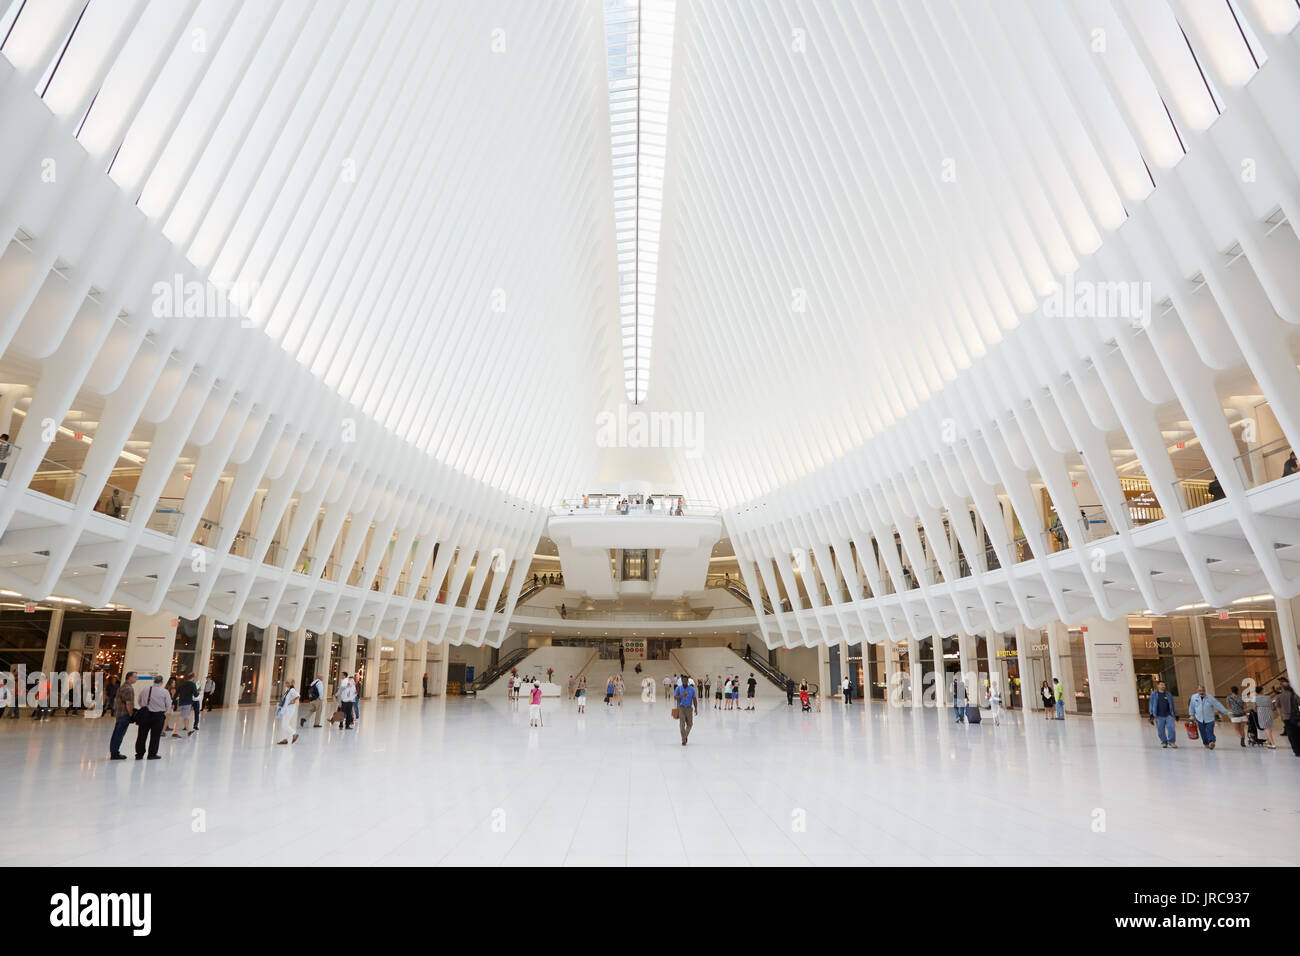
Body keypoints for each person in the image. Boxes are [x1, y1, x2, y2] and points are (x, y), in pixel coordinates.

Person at [134, 676, 171, 760]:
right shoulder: (165, 692)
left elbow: (139, 701)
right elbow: (168, 705)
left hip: (145, 715)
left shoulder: (145, 689)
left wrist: (146, 708)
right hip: (158, 716)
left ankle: (139, 754)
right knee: (155, 736)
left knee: (141, 735)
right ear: (161, 682)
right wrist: (163, 710)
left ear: (154, 681)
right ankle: (152, 754)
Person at [1188, 684, 1230, 750]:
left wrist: (1225, 711)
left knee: (1209, 731)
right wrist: (1191, 715)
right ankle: (1206, 743)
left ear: (1205, 691)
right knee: (1203, 732)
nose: (1202, 692)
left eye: (1203, 691)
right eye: (1200, 691)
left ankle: (1211, 742)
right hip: (1199, 719)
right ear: (1197, 691)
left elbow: (1217, 704)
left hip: (1209, 719)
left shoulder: (1210, 697)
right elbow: (1192, 707)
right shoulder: (1194, 697)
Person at [107, 672, 138, 760]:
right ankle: (115, 753)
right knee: (119, 734)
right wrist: (131, 714)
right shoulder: (128, 689)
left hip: (119, 713)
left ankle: (114, 752)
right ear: (129, 678)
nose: (136, 679)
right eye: (135, 677)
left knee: (117, 733)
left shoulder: (123, 687)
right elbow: (129, 703)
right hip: (124, 714)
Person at [1148, 680, 1178, 748]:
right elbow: (1151, 704)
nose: (1163, 686)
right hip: (1158, 715)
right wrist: (1151, 714)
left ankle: (1171, 742)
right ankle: (1164, 742)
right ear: (1158, 686)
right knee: (1161, 730)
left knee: (1171, 728)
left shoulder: (1168, 694)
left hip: (1168, 715)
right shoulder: (1154, 694)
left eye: (1164, 685)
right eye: (1161, 685)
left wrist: (1176, 714)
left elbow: (1172, 705)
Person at [1275, 678, 1300, 756]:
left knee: (1291, 735)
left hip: (1286, 718)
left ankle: (1297, 752)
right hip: (1296, 717)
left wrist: (1281, 716)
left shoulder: (1279, 696)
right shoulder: (1294, 695)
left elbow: (1278, 707)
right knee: (1298, 733)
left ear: (1281, 687)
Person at [171, 673, 198, 737]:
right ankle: (175, 732)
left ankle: (189, 731)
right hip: (187, 703)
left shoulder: (182, 684)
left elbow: (176, 694)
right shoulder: (192, 685)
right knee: (182, 717)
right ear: (193, 677)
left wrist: (172, 702)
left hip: (181, 702)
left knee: (186, 717)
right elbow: (196, 695)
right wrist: (198, 691)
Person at [275, 679, 300, 745]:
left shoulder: (292, 690)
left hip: (289, 710)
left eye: (287, 683)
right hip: (286, 709)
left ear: (291, 684)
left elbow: (298, 696)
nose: (286, 684)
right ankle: (286, 739)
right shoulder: (288, 690)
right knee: (284, 725)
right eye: (285, 683)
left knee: (285, 725)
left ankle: (294, 734)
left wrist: (293, 701)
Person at [1253, 684, 1277, 749]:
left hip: (1261, 713)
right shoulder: (1268, 697)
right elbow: (1272, 706)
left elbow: (1254, 708)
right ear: (1262, 691)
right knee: (1269, 728)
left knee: (1266, 729)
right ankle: (1269, 742)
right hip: (1269, 712)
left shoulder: (1255, 699)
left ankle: (1273, 743)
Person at [674, 675, 696, 746]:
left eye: (686, 681)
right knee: (682, 725)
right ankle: (684, 741)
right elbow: (675, 697)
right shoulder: (678, 688)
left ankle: (684, 736)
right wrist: (682, 696)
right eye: (683, 680)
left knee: (690, 724)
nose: (685, 682)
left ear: (687, 681)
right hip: (681, 708)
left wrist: (696, 708)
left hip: (689, 708)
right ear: (682, 681)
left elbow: (694, 699)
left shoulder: (692, 689)